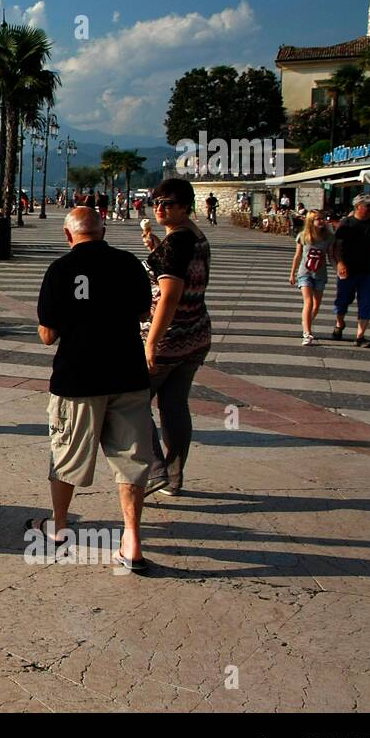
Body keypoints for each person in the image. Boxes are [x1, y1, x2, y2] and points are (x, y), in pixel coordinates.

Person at [36, 207, 156, 573]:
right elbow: (141, 313)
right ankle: (132, 539)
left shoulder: (60, 270)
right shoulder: (130, 264)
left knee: (67, 454)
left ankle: (58, 528)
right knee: (133, 461)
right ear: (102, 231)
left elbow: (47, 334)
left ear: (68, 235)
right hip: (128, 374)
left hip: (78, 379)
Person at [140, 178, 211, 498]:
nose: (159, 208)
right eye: (155, 202)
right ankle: (175, 474)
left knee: (129, 402)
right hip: (197, 333)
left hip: (170, 338)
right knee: (174, 405)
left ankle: (155, 470)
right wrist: (157, 248)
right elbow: (185, 271)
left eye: (168, 204)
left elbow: (169, 296)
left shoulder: (176, 244)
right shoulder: (196, 237)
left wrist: (151, 342)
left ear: (186, 207)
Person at [332, 195, 370, 347]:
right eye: (367, 206)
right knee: (342, 301)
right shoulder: (346, 223)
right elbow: (336, 247)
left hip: (368, 270)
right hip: (347, 269)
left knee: (368, 302)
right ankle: (339, 323)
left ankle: (360, 337)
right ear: (357, 207)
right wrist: (340, 263)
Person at [289, 209, 334, 346]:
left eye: (322, 218)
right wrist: (292, 273)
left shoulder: (329, 237)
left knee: (316, 306)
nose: (321, 221)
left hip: (320, 274)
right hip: (305, 273)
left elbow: (331, 256)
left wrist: (339, 269)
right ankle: (307, 333)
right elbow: (297, 256)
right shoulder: (303, 236)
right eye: (318, 219)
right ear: (311, 221)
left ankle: (306, 321)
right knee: (308, 302)